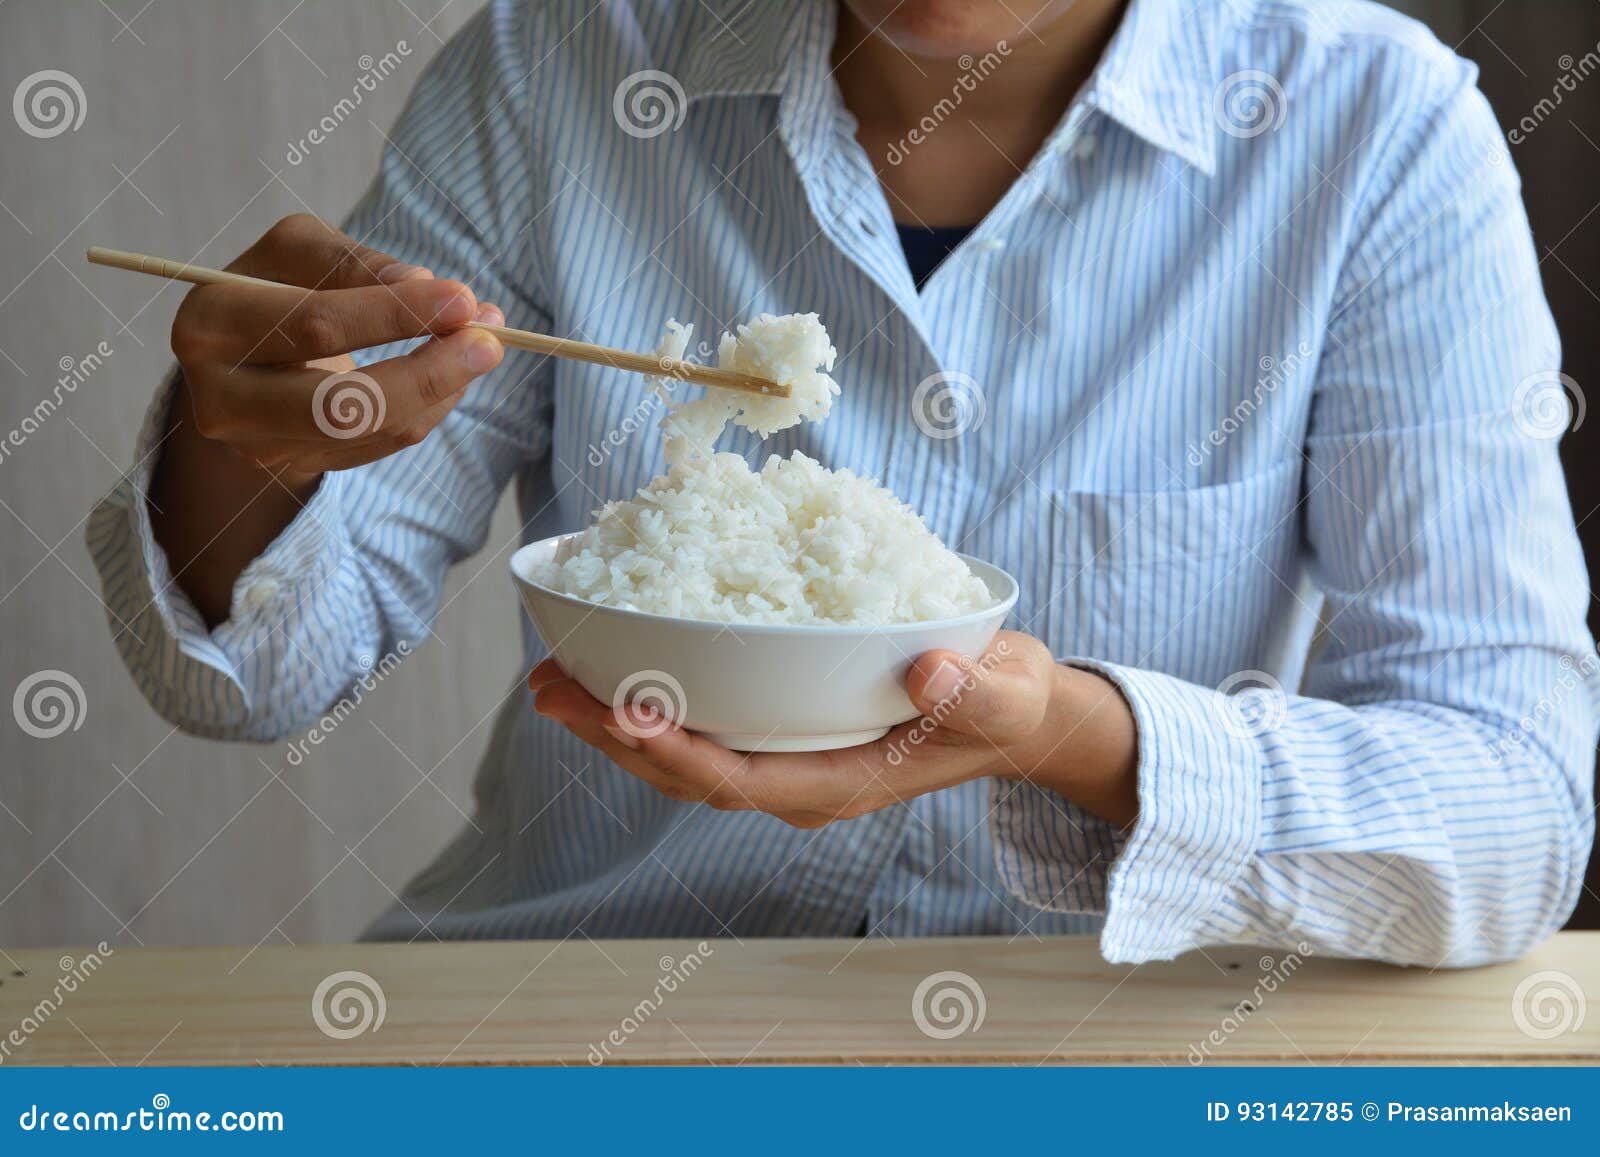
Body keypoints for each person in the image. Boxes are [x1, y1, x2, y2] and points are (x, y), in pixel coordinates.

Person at [89, 0, 1596, 963]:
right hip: (581, 1026)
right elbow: (257, 681)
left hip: (1106, 1058)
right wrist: (252, 435)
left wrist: (1081, 734)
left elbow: (1516, 813)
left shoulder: (1380, 131)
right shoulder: (558, 67)